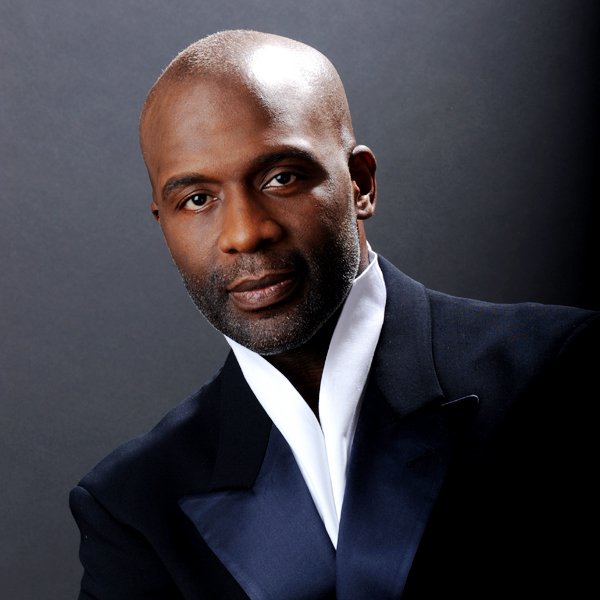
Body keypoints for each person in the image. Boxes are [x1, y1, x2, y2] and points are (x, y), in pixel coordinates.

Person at [70, 30, 598, 599]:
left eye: (281, 178)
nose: (245, 232)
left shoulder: (559, 370)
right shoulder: (131, 505)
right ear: (164, 223)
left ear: (360, 183)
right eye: (197, 199)